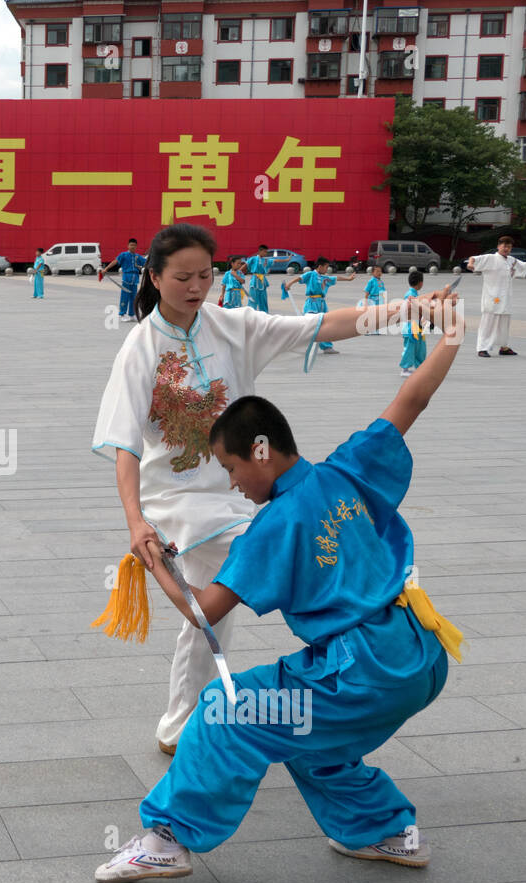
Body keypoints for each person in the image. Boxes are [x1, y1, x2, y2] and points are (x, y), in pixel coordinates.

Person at [94, 315, 464, 883]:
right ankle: (384, 829)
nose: (234, 482)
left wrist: (156, 561)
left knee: (226, 709)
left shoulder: (273, 526)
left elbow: (201, 612)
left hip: (362, 671)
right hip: (420, 653)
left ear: (260, 452)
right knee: (307, 733)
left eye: (232, 468)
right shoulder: (350, 466)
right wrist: (453, 337)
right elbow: (413, 398)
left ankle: (166, 838)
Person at [92, 223, 452, 756]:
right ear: (153, 277)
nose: (197, 287)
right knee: (268, 554)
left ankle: (183, 723)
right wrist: (135, 520)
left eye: (205, 275)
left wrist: (407, 311)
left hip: (244, 489)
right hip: (182, 501)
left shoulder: (234, 325)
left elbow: (323, 324)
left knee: (219, 606)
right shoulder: (139, 348)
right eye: (183, 277)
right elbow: (125, 444)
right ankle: (341, 659)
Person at [466, 236, 526, 357]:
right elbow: (473, 258)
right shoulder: (490, 258)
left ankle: (504, 347)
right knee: (488, 322)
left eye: (509, 246)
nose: (506, 248)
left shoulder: (511, 260)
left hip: (506, 297)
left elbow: (524, 265)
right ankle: (482, 348)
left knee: (504, 323)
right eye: (504, 246)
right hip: (492, 297)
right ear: (498, 246)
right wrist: (470, 264)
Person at [285, 257, 356, 354]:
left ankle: (327, 347)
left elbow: (336, 278)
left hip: (322, 304)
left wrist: (348, 279)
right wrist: (289, 284)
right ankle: (302, 344)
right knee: (309, 325)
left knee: (325, 325)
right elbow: (299, 278)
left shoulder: (325, 278)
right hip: (312, 303)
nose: (327, 270)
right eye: (326, 267)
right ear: (320, 266)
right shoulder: (310, 274)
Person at [101, 237, 146, 320]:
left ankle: (132, 314)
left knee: (134, 297)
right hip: (126, 278)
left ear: (136, 246)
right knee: (124, 296)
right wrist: (106, 269)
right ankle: (122, 314)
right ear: (128, 246)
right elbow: (115, 261)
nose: (132, 247)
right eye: (131, 245)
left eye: (134, 245)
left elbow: (146, 262)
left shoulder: (137, 257)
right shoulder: (123, 255)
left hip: (135, 279)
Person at [400, 270, 430, 378]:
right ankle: (405, 368)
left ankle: (420, 367)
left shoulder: (414, 294)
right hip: (411, 325)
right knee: (410, 347)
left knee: (420, 347)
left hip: (417, 325)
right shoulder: (410, 295)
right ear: (420, 283)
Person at [244, 246, 271, 313]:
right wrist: (238, 271)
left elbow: (275, 261)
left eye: (266, 252)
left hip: (262, 281)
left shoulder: (265, 260)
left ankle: (264, 314)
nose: (265, 253)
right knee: (253, 298)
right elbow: (245, 265)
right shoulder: (253, 259)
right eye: (264, 251)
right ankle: (250, 314)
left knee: (263, 299)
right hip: (255, 280)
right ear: (260, 251)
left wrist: (287, 259)